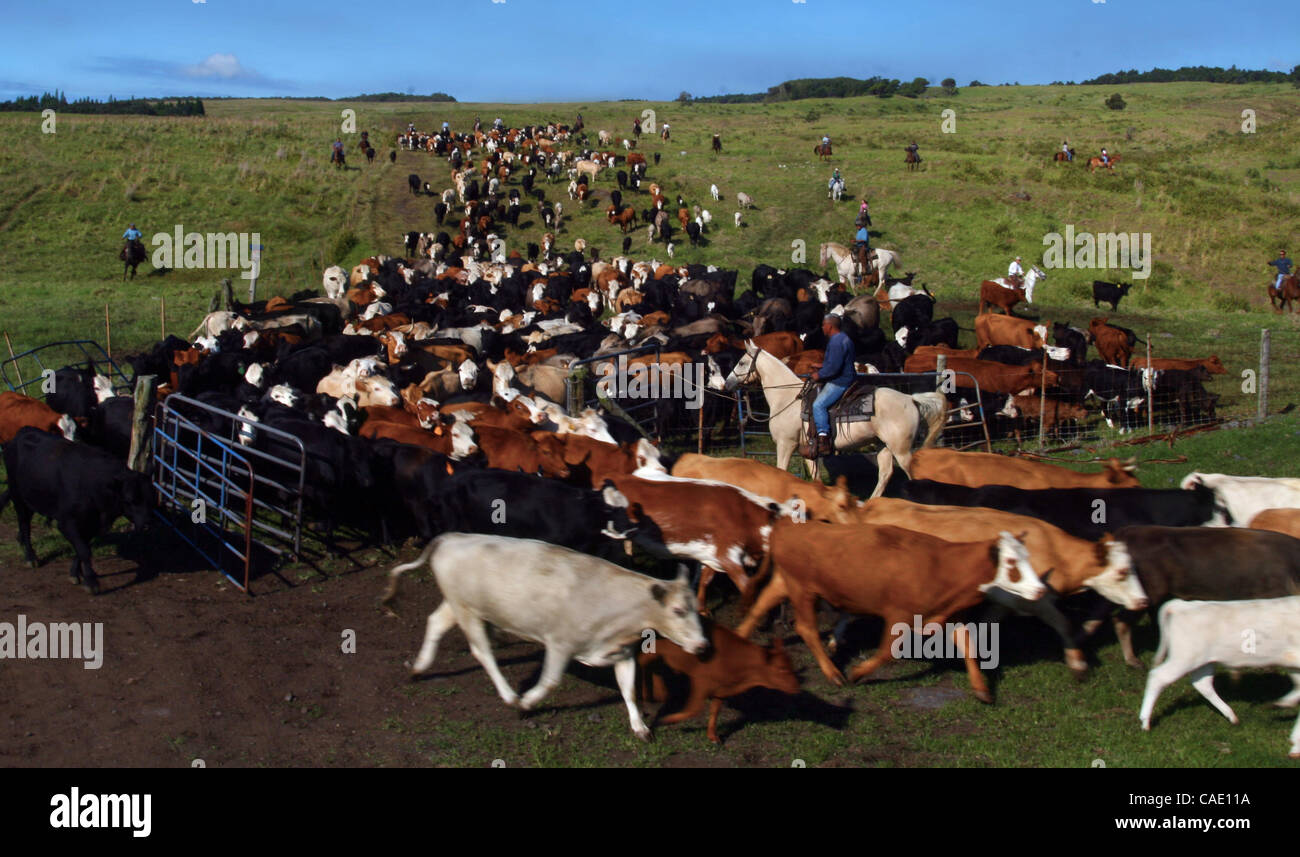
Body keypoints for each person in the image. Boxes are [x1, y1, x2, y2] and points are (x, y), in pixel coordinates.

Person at [801, 315, 857, 459]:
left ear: (829, 326)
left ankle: (823, 438)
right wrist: (820, 366)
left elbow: (834, 368)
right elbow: (837, 361)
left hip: (840, 381)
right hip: (847, 376)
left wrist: (818, 375)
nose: (822, 328)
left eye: (823, 325)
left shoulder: (836, 342)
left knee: (818, 404)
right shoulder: (844, 338)